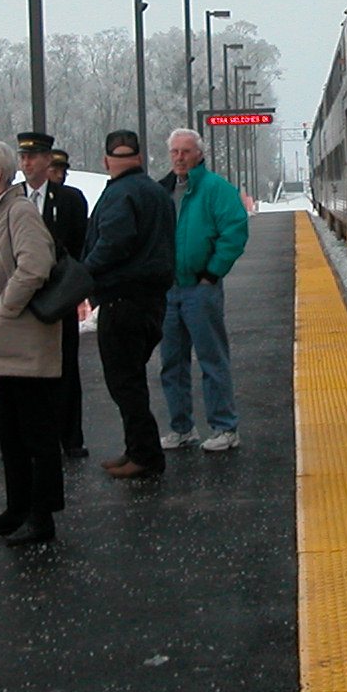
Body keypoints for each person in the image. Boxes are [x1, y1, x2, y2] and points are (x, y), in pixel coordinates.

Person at [0, 138, 66, 544]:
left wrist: (4, 308)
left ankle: (41, 517)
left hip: (25, 346)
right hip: (6, 348)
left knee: (36, 433)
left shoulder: (18, 212)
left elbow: (36, 264)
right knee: (9, 430)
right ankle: (18, 507)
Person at [81, 128, 175, 478]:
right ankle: (136, 448)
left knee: (125, 383)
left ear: (106, 161)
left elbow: (114, 243)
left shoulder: (120, 194)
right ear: (139, 157)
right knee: (130, 379)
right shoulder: (156, 192)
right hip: (152, 300)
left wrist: (82, 274)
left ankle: (145, 456)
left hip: (123, 300)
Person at [158, 127, 251, 452]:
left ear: (199, 154)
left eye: (186, 151)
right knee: (172, 362)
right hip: (169, 290)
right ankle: (181, 428)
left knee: (212, 359)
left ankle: (225, 427)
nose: (180, 158)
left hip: (201, 288)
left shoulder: (215, 189)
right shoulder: (163, 190)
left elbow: (235, 230)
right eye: (175, 152)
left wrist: (212, 273)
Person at [19, 132, 90, 457]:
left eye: (33, 157)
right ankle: (35, 434)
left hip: (58, 298)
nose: (27, 163)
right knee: (28, 371)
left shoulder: (70, 199)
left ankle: (70, 437)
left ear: (48, 161)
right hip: (23, 301)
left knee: (65, 367)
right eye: (23, 157)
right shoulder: (13, 198)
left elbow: (78, 247)